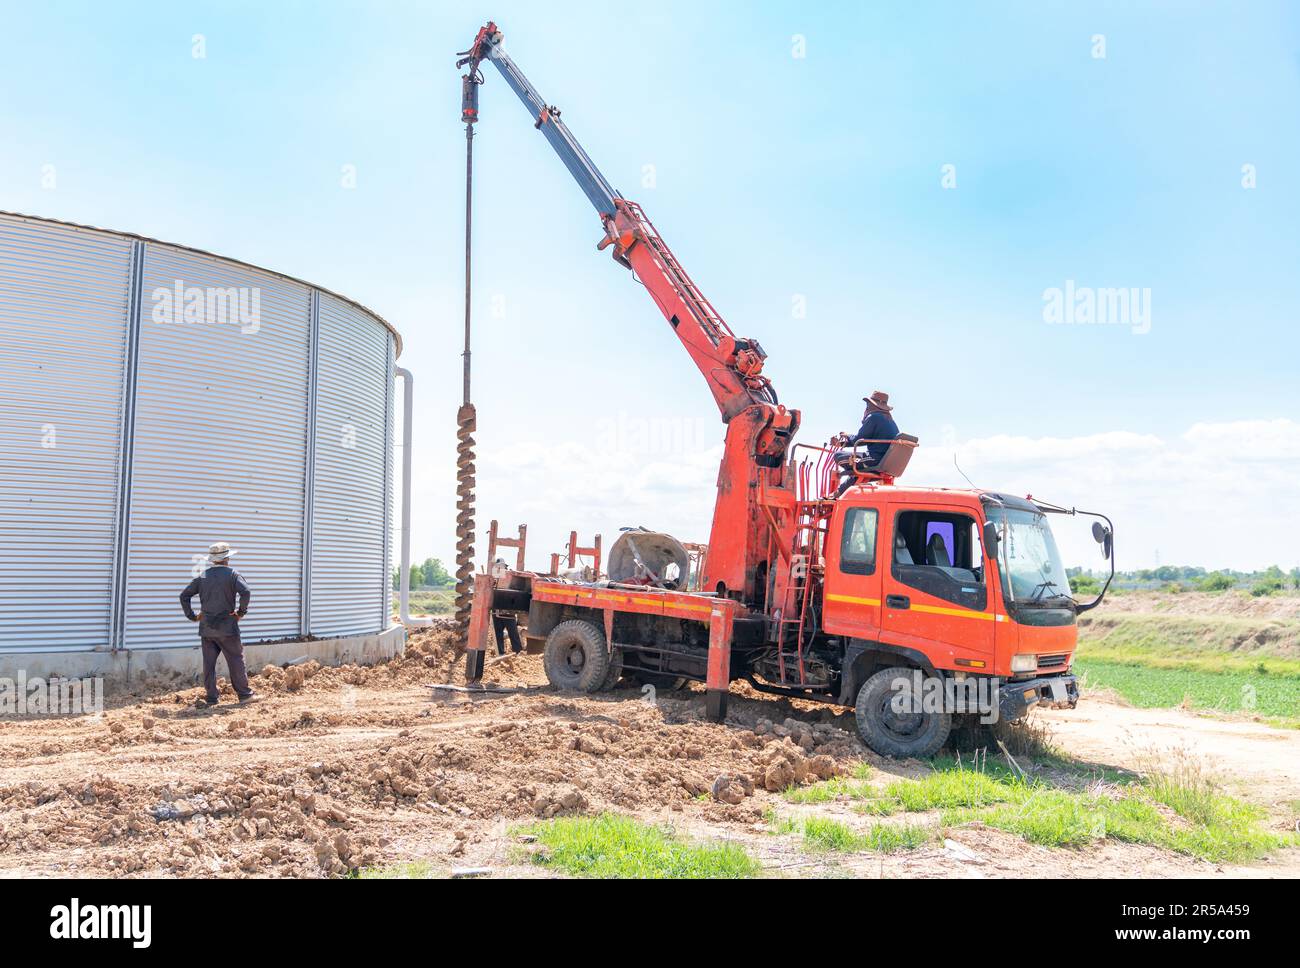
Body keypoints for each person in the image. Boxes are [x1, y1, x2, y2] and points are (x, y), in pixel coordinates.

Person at [180, 541, 256, 706]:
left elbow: (184, 595)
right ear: (227, 558)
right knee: (235, 659)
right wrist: (240, 613)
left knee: (209, 664)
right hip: (228, 627)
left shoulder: (203, 576)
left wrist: (193, 616)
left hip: (207, 629)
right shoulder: (233, 574)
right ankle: (244, 695)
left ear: (212, 559)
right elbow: (246, 592)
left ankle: (212, 697)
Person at [833, 390, 901, 497]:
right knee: (857, 469)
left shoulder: (874, 417)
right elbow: (865, 438)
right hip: (886, 462)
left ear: (872, 405)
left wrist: (846, 436)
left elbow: (858, 439)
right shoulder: (889, 420)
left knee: (838, 456)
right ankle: (838, 493)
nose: (867, 407)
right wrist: (843, 443)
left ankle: (839, 493)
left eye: (868, 404)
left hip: (875, 460)